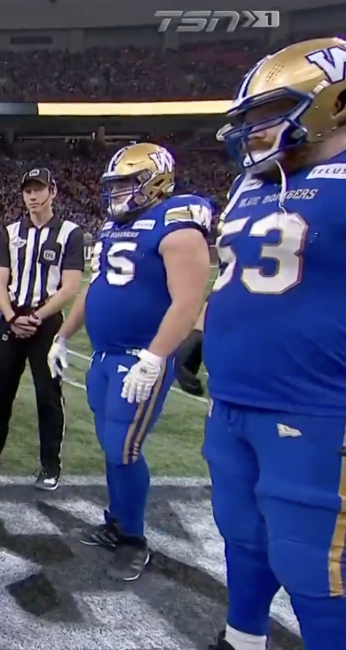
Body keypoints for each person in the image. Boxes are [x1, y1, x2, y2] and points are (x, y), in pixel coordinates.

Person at [194, 37, 346, 650]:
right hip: (233, 402)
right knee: (243, 536)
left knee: (314, 563)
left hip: (316, 408)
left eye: (269, 112)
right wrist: (202, 334)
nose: (255, 129)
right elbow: (238, 274)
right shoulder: (254, 183)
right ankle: (242, 639)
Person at [47, 142, 211, 581]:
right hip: (103, 355)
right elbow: (95, 290)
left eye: (125, 183)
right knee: (110, 445)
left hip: (139, 356)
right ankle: (116, 521)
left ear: (153, 181)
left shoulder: (177, 224)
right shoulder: (114, 226)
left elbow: (189, 299)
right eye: (114, 184)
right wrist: (63, 336)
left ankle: (134, 538)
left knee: (124, 448)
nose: (117, 192)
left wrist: (157, 357)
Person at [0, 168, 84, 490]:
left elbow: (70, 286)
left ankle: (50, 466)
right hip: (10, 319)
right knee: (1, 392)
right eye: (27, 191)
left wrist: (36, 317)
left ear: (53, 191)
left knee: (48, 396)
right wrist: (10, 316)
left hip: (45, 323)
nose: (32, 196)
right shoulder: (10, 232)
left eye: (38, 189)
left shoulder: (69, 233)